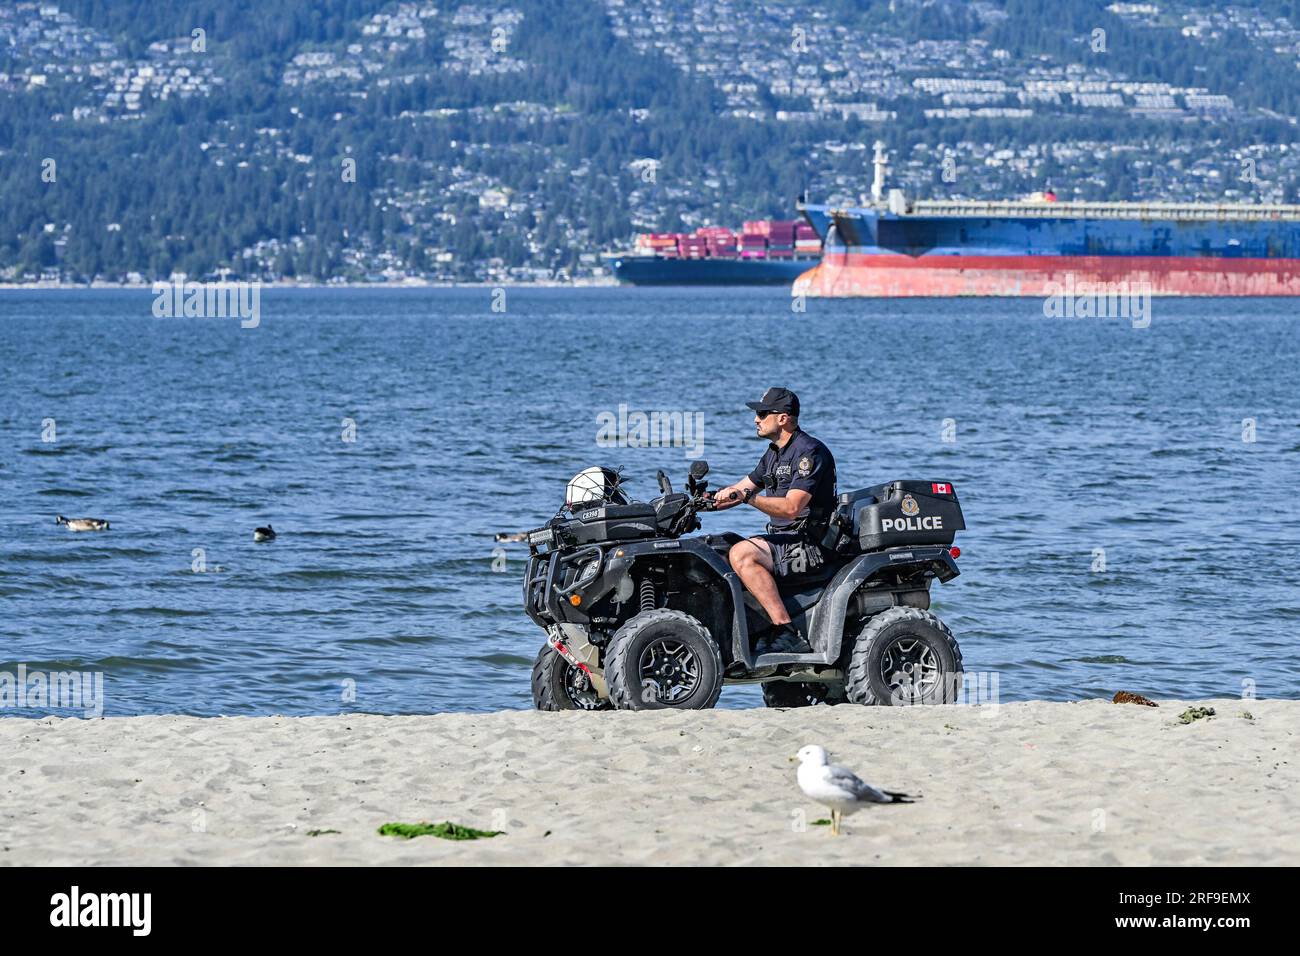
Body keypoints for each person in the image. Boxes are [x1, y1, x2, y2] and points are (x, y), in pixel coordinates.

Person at [710, 387, 837, 649]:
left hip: (809, 545)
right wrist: (696, 504)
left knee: (743, 554)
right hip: (785, 541)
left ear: (782, 418)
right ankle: (742, 632)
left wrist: (746, 497)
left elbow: (792, 507)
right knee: (717, 548)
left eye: (762, 413)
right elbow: (739, 489)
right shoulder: (773, 454)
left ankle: (787, 632)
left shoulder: (809, 453)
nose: (756, 419)